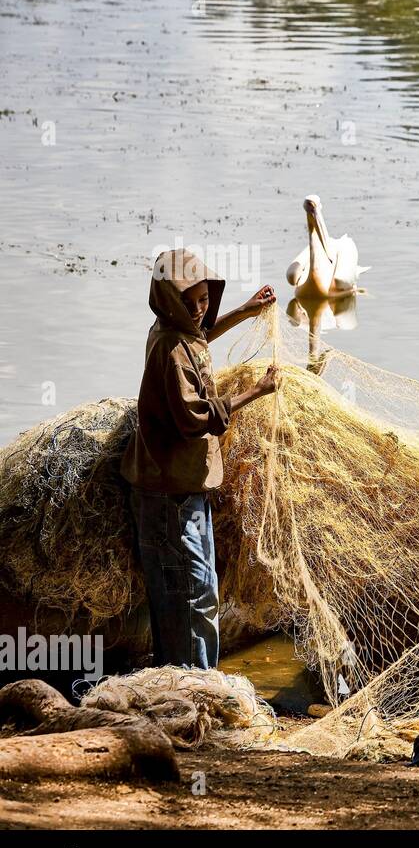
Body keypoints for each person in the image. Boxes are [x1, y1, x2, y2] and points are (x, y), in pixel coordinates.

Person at [121, 249, 279, 669]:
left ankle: (190, 679)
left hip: (185, 486)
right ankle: (194, 689)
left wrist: (245, 311)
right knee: (191, 595)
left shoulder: (173, 329)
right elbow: (195, 419)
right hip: (169, 494)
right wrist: (256, 392)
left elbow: (200, 337)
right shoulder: (171, 348)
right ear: (169, 302)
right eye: (188, 303)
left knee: (196, 590)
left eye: (205, 301)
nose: (198, 311)